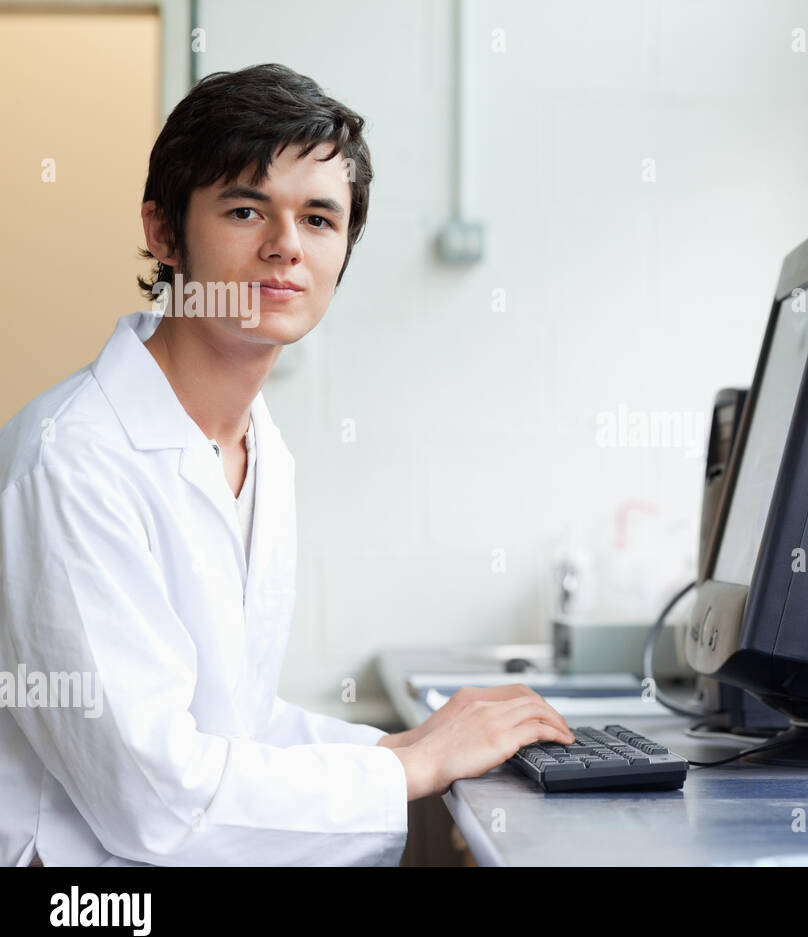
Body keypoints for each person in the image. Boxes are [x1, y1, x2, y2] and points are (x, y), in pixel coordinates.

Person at [0, 63, 574, 867]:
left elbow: (233, 725)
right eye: (246, 210)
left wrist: (417, 744)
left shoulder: (257, 444)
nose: (285, 249)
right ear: (164, 232)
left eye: (319, 219)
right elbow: (155, 801)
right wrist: (408, 766)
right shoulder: (73, 462)